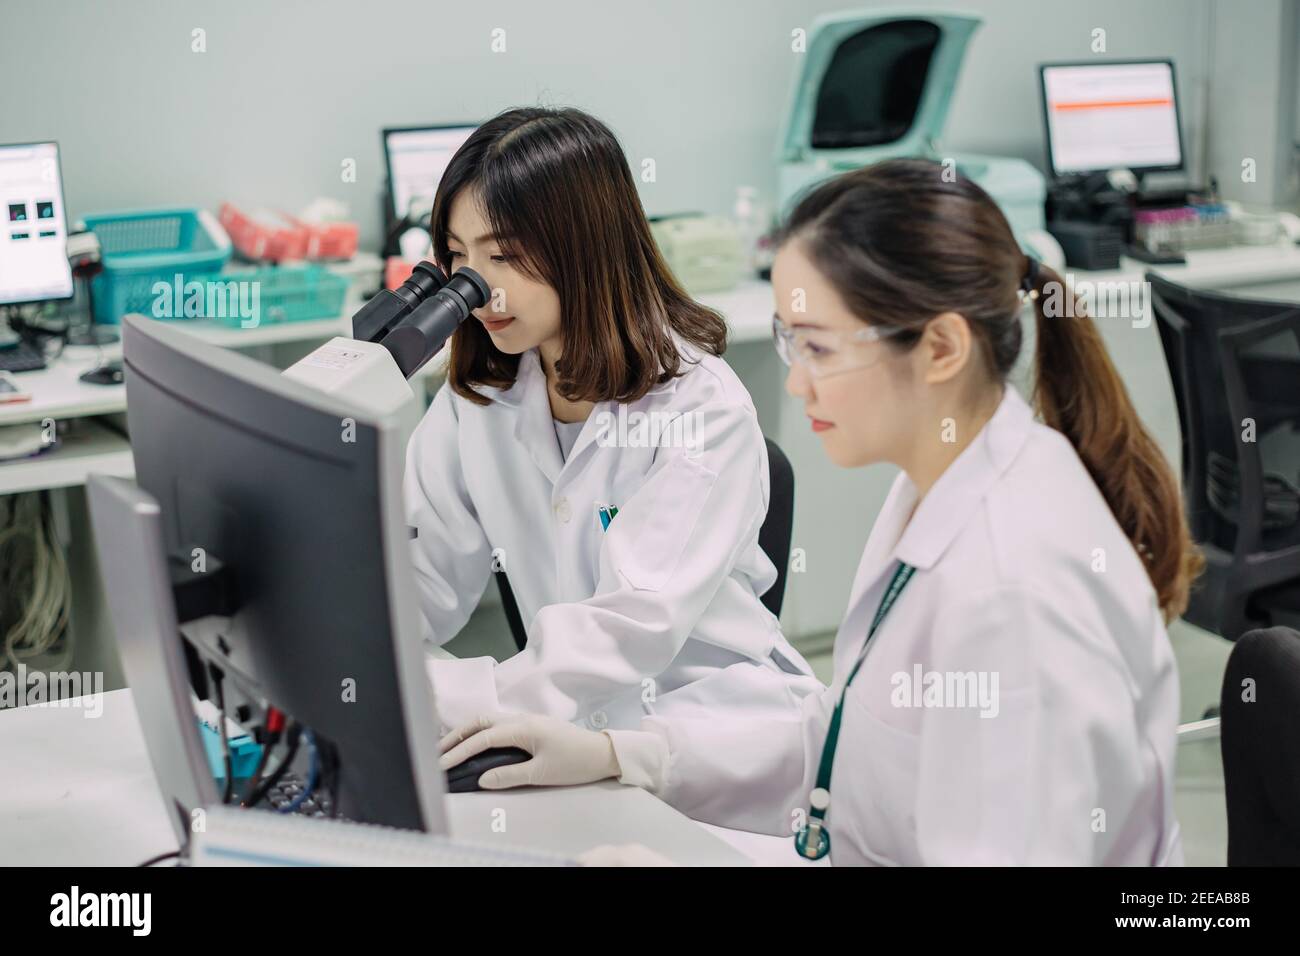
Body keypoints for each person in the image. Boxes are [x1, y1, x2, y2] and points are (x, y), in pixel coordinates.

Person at [437, 158, 1201, 866]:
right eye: (787, 341)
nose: (796, 387)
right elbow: (855, 746)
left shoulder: (1012, 594)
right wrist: (626, 757)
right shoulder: (936, 486)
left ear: (940, 348)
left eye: (820, 348)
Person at [407, 107, 820, 736]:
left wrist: (453, 694)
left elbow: (628, 628)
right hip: (571, 729)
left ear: (586, 248)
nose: (479, 289)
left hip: (712, 731)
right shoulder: (480, 396)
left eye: (504, 256)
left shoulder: (700, 410)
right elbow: (421, 578)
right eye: (461, 257)